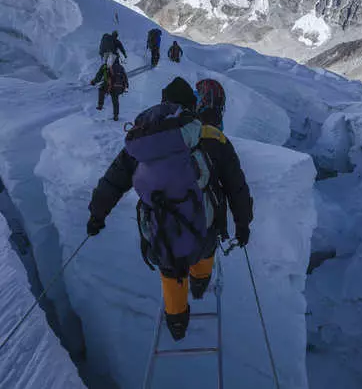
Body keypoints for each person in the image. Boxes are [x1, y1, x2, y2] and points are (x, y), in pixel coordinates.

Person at [86, 77, 252, 341]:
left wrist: (97, 214)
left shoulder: (143, 139)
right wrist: (243, 223)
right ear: (191, 107)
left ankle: (177, 323)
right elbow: (236, 185)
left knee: (170, 269)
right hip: (203, 229)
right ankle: (199, 283)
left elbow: (114, 180)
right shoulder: (210, 136)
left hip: (158, 230)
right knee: (203, 248)